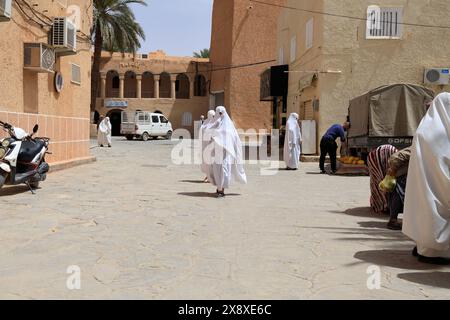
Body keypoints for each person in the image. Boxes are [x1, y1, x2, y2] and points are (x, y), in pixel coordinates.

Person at [402, 92, 450, 264]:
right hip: (441, 188)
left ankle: (423, 247)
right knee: (439, 216)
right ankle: (438, 251)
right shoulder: (444, 135)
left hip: (422, 184)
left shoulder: (423, 132)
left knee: (424, 212)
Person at [207, 106, 247, 198]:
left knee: (224, 171)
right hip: (217, 154)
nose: (220, 115)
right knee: (217, 171)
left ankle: (221, 190)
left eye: (221, 113)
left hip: (226, 155)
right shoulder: (214, 126)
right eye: (219, 113)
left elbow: (235, 141)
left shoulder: (230, 127)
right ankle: (219, 188)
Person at [379, 147, 411, 230]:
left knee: (397, 197)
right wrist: (393, 169)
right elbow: (395, 157)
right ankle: (392, 221)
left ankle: (393, 220)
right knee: (397, 197)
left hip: (403, 176)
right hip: (401, 177)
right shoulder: (416, 149)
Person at [367, 145, 398, 214]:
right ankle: (384, 205)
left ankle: (381, 204)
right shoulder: (398, 156)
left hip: (376, 156)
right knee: (381, 181)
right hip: (377, 157)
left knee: (378, 181)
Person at [199, 110, 216, 183]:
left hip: (212, 147)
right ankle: (208, 176)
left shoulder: (215, 123)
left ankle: (212, 177)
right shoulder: (205, 124)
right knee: (207, 162)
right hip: (206, 146)